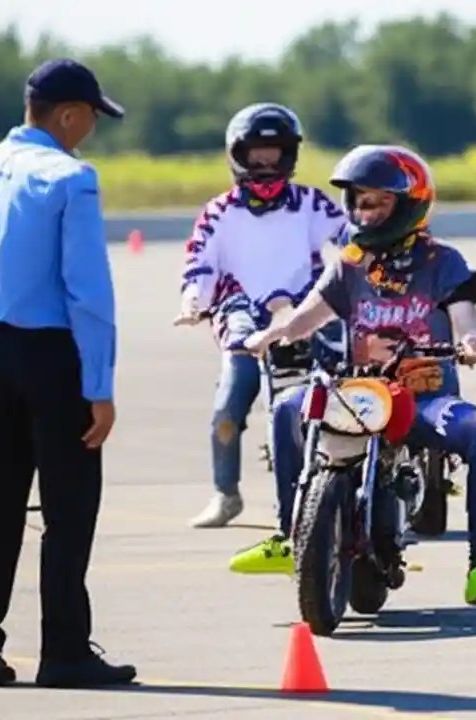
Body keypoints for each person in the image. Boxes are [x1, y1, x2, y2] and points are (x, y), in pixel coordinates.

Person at [244, 144, 476, 607]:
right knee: (286, 408)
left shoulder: (441, 261)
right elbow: (306, 316)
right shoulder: (349, 262)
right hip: (356, 391)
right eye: (357, 201)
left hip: (423, 395)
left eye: (376, 201)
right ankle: (286, 535)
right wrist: (269, 335)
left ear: (409, 203)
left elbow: (465, 315)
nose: (363, 211)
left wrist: (473, 342)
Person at [0, 58, 136, 688]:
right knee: (68, 509)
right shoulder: (70, 179)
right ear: (66, 114)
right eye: (89, 118)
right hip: (57, 360)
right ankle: (64, 651)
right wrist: (100, 387)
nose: (90, 130)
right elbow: (88, 293)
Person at [177, 103, 348, 561]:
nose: (266, 167)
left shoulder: (312, 203)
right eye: (256, 157)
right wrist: (193, 300)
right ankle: (225, 492)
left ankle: (339, 486)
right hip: (243, 317)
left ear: (290, 156)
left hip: (303, 310)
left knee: (338, 393)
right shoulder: (217, 212)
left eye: (275, 156)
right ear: (237, 156)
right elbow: (200, 265)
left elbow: (351, 237)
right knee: (228, 408)